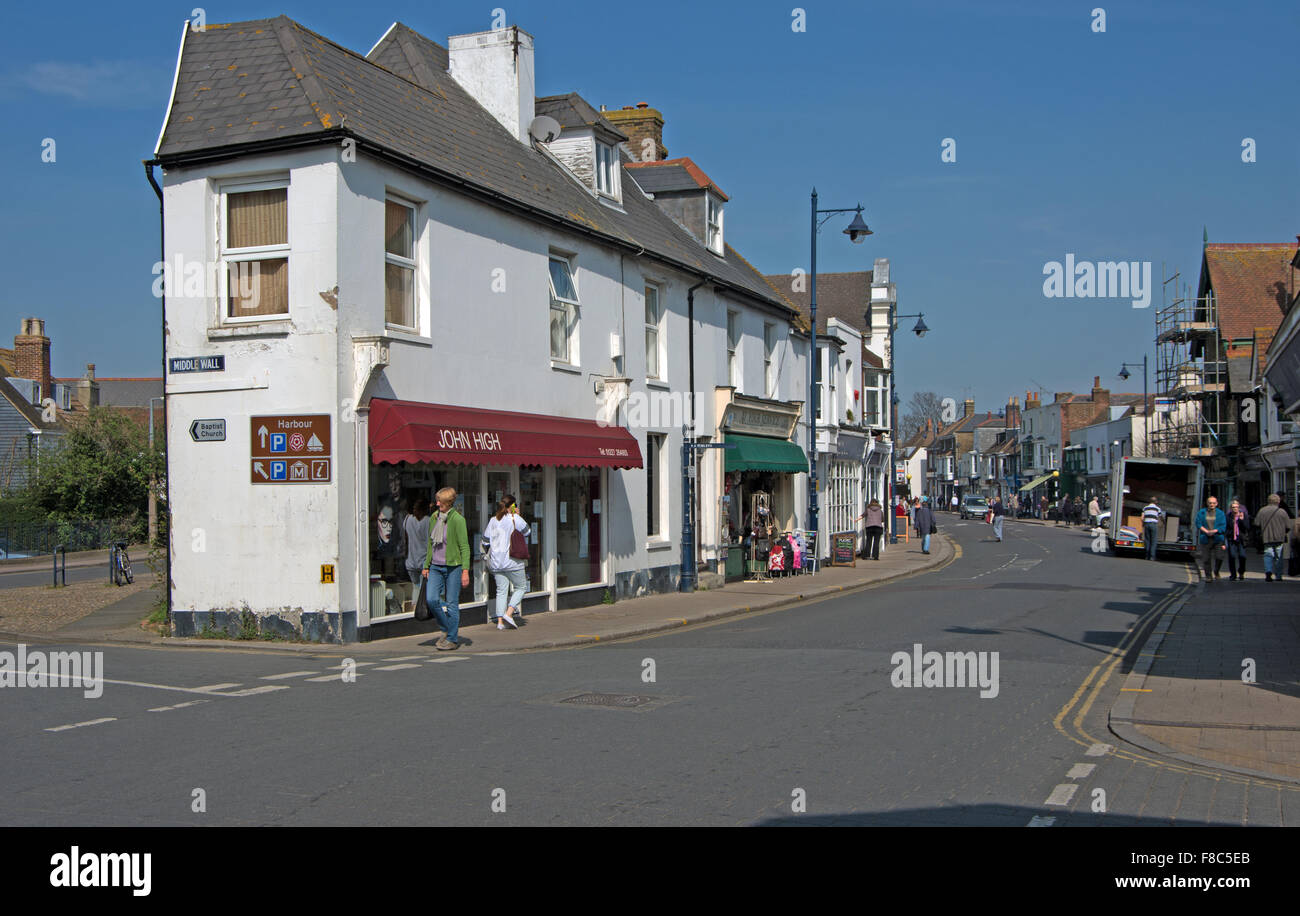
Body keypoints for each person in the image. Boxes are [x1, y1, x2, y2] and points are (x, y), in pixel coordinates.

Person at [422, 486, 471, 649]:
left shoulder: (458, 520)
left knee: (451, 603)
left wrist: (465, 571)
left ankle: (452, 639)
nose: (437, 504)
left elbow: (464, 547)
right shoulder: (434, 517)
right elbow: (430, 543)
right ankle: (445, 628)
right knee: (431, 599)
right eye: (437, 501)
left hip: (453, 567)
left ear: (448, 503)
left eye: (440, 501)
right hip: (435, 566)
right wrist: (426, 565)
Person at [483, 494, 530, 628]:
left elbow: (485, 540)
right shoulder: (515, 518)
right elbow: (527, 531)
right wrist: (518, 515)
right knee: (521, 587)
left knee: (501, 591)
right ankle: (509, 613)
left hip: (496, 563)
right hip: (512, 562)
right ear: (512, 506)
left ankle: (499, 622)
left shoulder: (493, 520)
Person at [1255, 493, 1291, 582]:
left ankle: (1268, 572)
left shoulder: (1262, 511)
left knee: (1268, 555)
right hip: (1279, 537)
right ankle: (1278, 575)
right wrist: (1283, 532)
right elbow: (1288, 526)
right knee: (1279, 557)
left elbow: (1256, 523)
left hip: (1267, 537)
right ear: (1278, 501)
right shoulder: (1282, 511)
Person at [1194, 495, 1226, 582]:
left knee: (1219, 557)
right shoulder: (1202, 512)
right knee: (1206, 558)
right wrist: (1206, 531)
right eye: (1210, 503)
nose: (1211, 504)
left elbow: (1223, 526)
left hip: (1217, 538)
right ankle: (1208, 576)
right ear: (1207, 503)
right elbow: (1198, 523)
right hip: (1205, 538)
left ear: (1216, 504)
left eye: (1213, 503)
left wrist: (1215, 531)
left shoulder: (1221, 513)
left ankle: (1216, 571)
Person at [403, 498, 431, 587]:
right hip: (425, 561)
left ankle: (415, 601)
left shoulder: (408, 519)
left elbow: (406, 538)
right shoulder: (429, 521)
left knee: (416, 588)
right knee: (426, 589)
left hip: (411, 561)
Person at [1224, 498, 1250, 580]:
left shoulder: (1243, 515)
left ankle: (1241, 572)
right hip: (1232, 539)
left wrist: (1241, 520)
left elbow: (1247, 527)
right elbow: (1226, 528)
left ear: (1239, 507)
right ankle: (1233, 574)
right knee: (1232, 556)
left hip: (1241, 539)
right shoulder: (1228, 517)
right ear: (1231, 508)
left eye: (1236, 507)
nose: (1235, 509)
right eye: (1233, 507)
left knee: (1242, 556)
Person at [1141, 497, 1164, 561]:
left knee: (1147, 540)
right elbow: (1161, 516)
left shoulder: (1145, 508)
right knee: (1153, 541)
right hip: (1153, 524)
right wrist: (1163, 521)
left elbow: (1142, 518)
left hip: (1147, 524)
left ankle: (1147, 556)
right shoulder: (1157, 508)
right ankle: (1152, 557)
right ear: (1155, 502)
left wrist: (1143, 524)